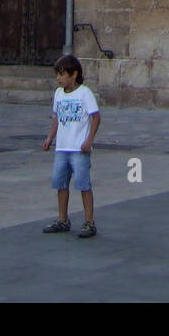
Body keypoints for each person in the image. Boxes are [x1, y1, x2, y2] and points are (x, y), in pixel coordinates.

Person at [42, 54, 100, 237]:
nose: (58, 78)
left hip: (79, 148)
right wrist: (50, 138)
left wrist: (89, 140)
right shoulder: (58, 94)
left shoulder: (85, 93)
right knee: (61, 184)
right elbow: (56, 118)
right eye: (57, 75)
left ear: (74, 74)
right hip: (62, 147)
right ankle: (62, 219)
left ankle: (89, 222)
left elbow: (96, 117)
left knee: (83, 184)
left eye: (62, 74)